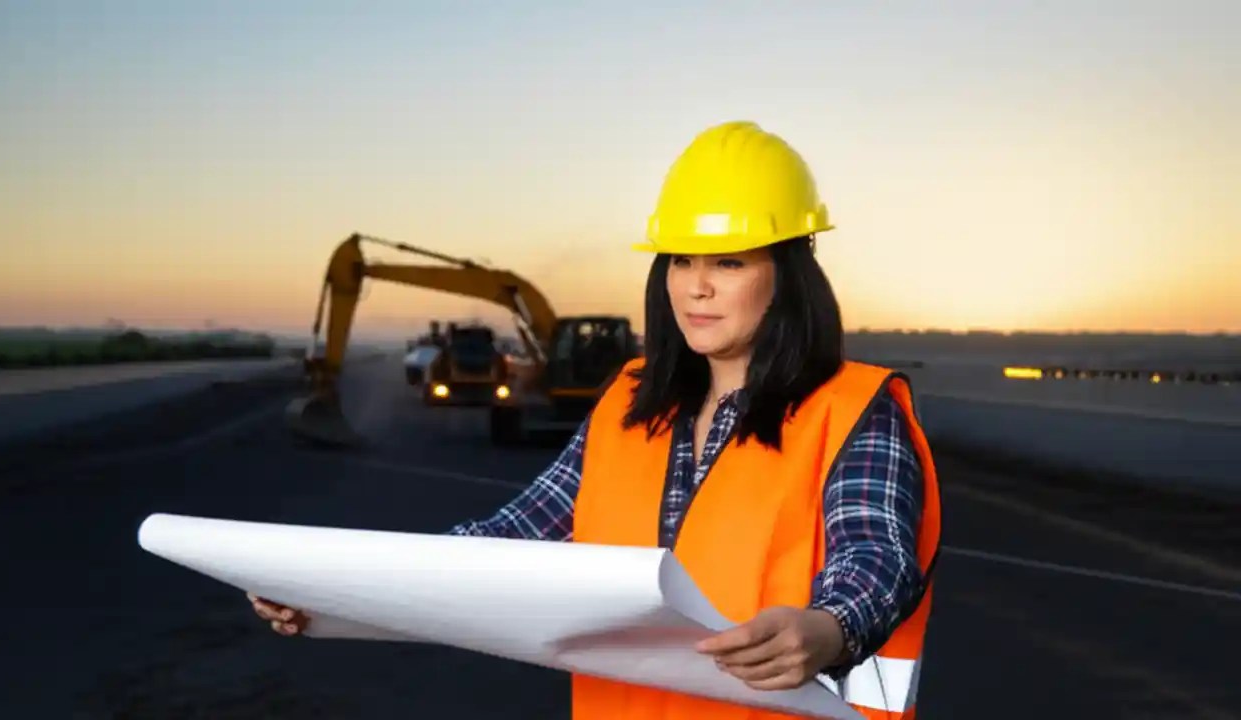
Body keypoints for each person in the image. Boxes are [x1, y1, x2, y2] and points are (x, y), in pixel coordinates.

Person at [250, 121, 942, 720]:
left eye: (728, 262)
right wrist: (336, 594)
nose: (696, 286)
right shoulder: (627, 405)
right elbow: (511, 539)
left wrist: (828, 628)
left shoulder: (854, 409)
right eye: (681, 260)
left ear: (788, 275)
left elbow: (875, 557)